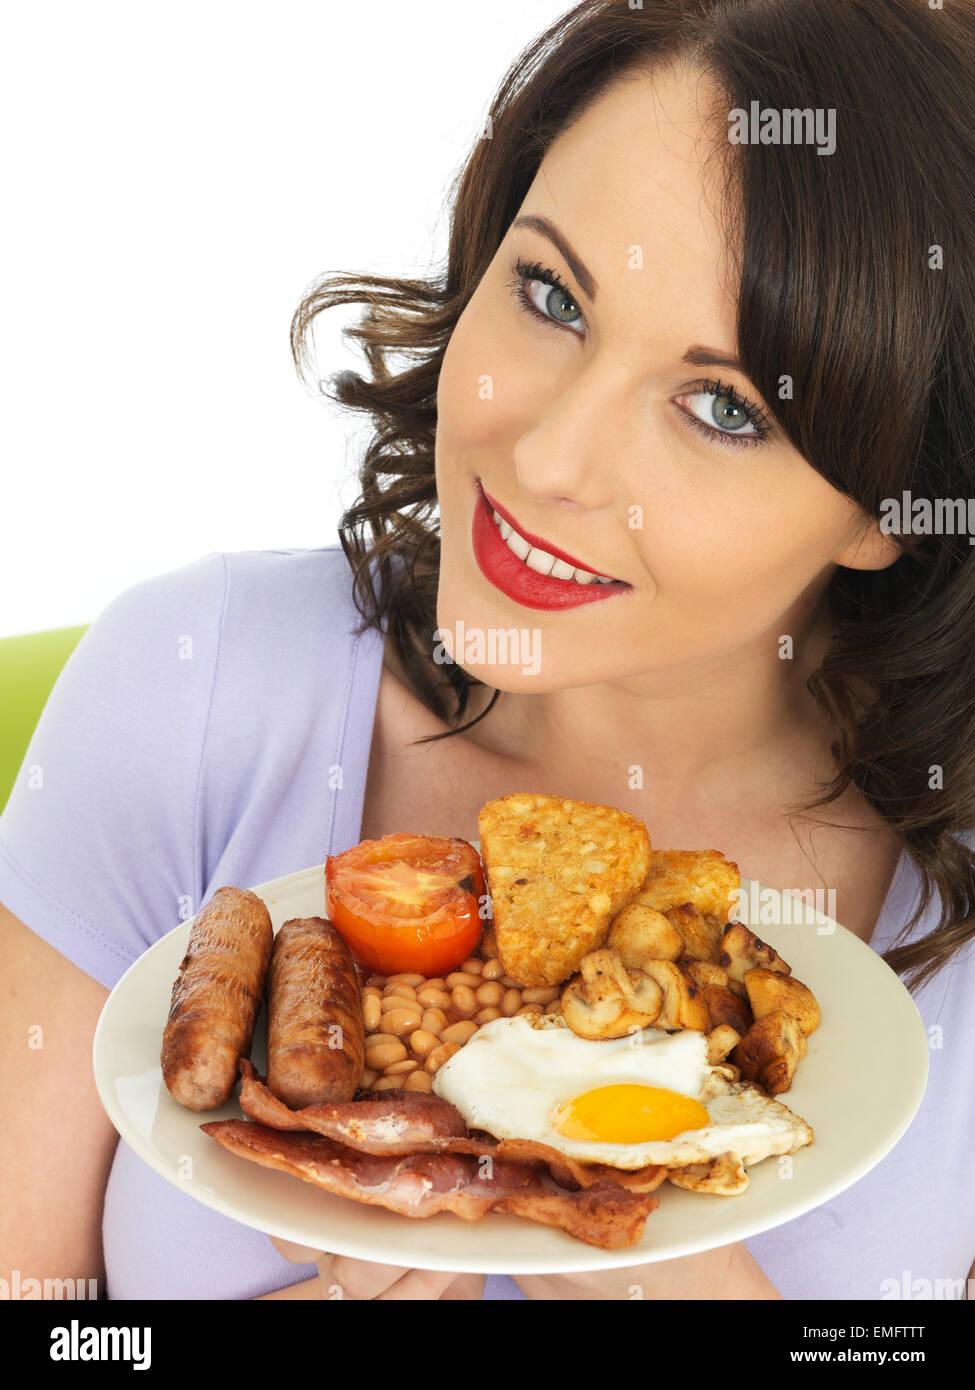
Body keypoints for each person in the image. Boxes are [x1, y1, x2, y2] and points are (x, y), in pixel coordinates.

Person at [2, 0, 974, 1301]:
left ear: (886, 506)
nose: (548, 457)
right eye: (551, 293)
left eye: (719, 406)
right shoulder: (189, 684)